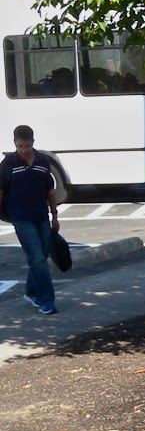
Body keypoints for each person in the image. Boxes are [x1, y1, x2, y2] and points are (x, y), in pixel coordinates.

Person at [1, 125, 62, 314]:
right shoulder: (7, 164)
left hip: (41, 215)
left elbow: (50, 191)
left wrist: (54, 216)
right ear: (14, 144)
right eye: (19, 146)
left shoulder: (43, 161)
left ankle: (30, 291)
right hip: (20, 218)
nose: (23, 151)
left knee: (41, 257)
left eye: (26, 146)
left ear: (33, 142)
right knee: (36, 258)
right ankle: (47, 301)